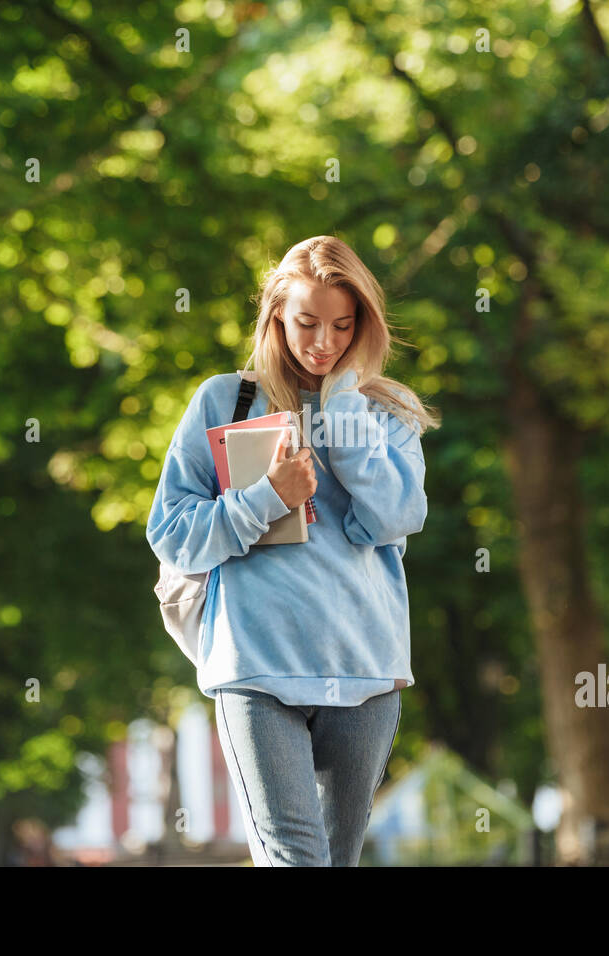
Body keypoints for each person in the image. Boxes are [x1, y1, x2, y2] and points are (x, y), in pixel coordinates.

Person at [146, 235, 440, 865]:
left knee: (336, 859)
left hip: (363, 667)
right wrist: (264, 498)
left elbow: (392, 519)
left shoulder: (388, 413)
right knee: (296, 859)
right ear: (277, 312)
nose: (324, 342)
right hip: (256, 666)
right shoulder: (224, 400)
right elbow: (171, 532)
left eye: (341, 325)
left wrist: (343, 416)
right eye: (307, 322)